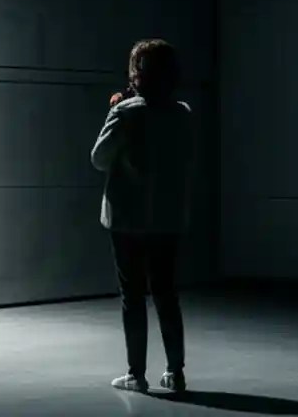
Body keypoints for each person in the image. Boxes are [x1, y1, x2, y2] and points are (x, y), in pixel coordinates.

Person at [90, 38, 194, 394]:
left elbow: (99, 159)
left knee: (132, 295)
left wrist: (113, 111)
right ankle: (176, 372)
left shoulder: (125, 113)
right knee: (167, 294)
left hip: (128, 219)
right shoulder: (183, 114)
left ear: (136, 74)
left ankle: (137, 374)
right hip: (168, 218)